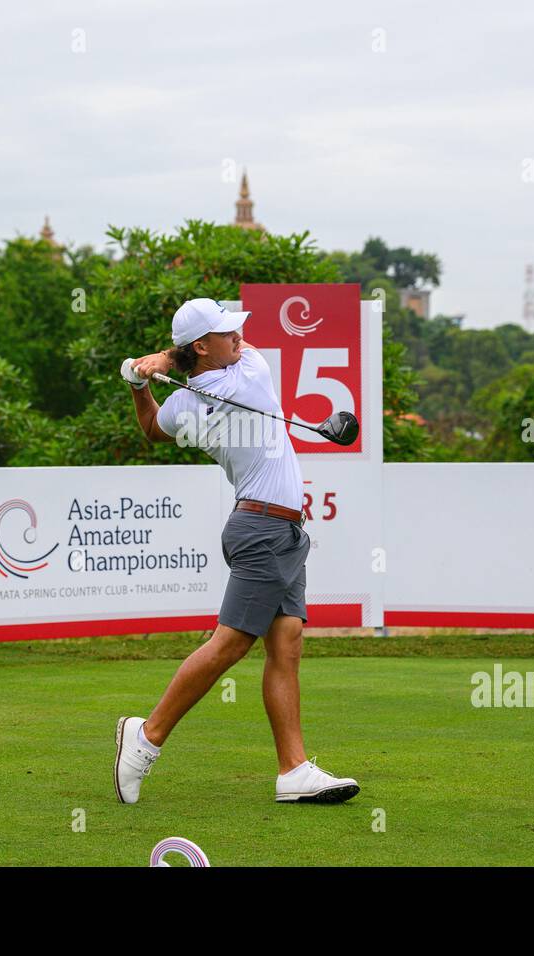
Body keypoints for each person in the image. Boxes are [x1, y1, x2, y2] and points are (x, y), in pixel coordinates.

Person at [113, 297, 360, 805]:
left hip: (280, 531)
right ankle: (146, 737)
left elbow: (153, 429)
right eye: (227, 333)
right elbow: (163, 417)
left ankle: (293, 771)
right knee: (230, 644)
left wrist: (143, 382)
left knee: (286, 643)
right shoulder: (249, 371)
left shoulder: (189, 397)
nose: (239, 337)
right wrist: (155, 369)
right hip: (262, 529)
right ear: (203, 346)